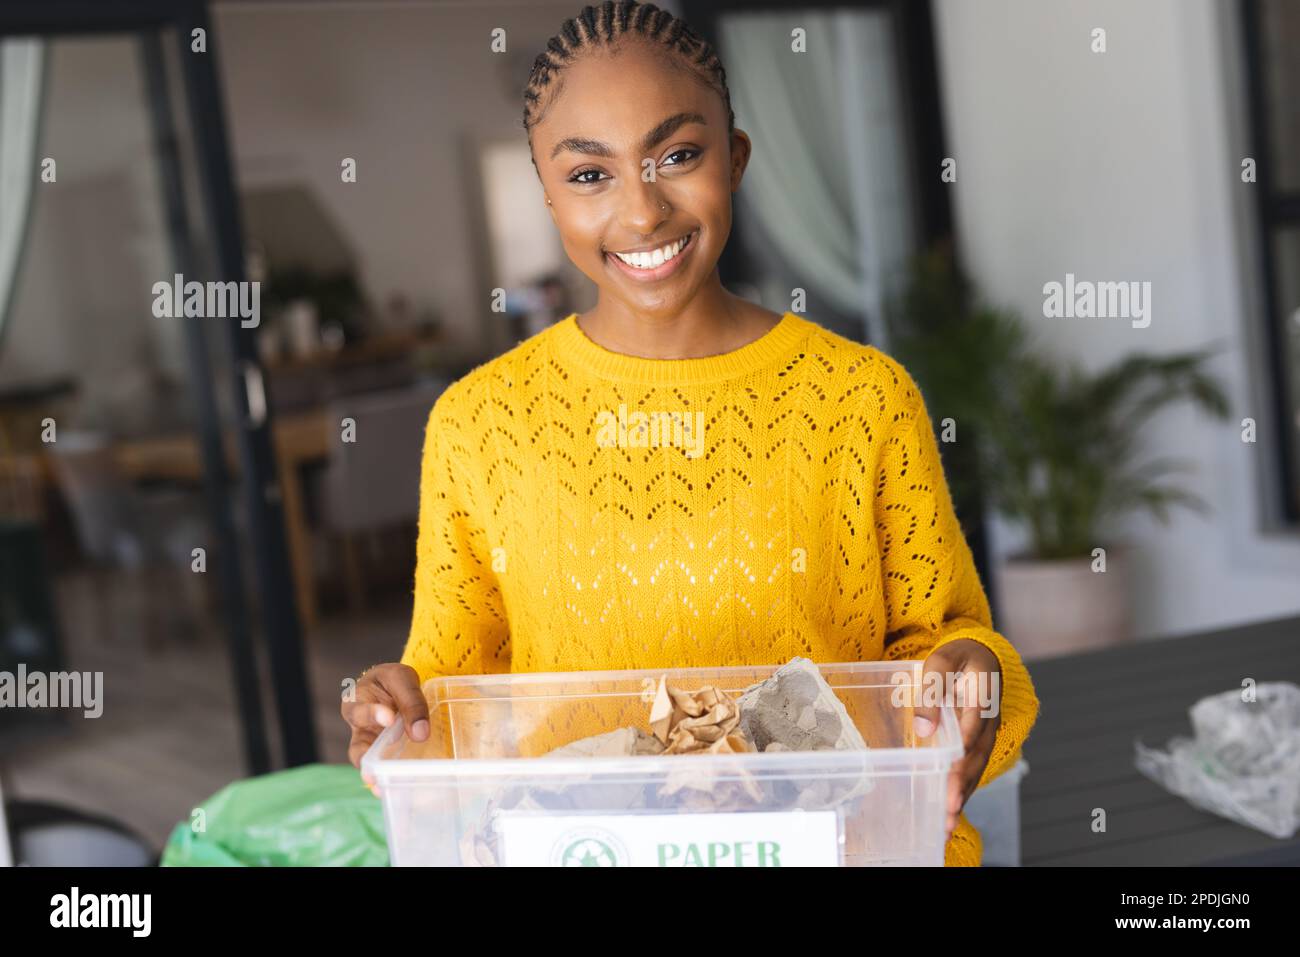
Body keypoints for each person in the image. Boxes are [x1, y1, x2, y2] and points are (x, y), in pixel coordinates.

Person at [342, 0, 1039, 866]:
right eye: (590, 175)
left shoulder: (862, 397)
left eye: (677, 155)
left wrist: (971, 674)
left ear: (735, 158)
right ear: (547, 194)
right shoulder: (479, 425)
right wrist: (395, 711)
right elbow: (450, 715)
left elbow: (952, 651)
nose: (642, 212)